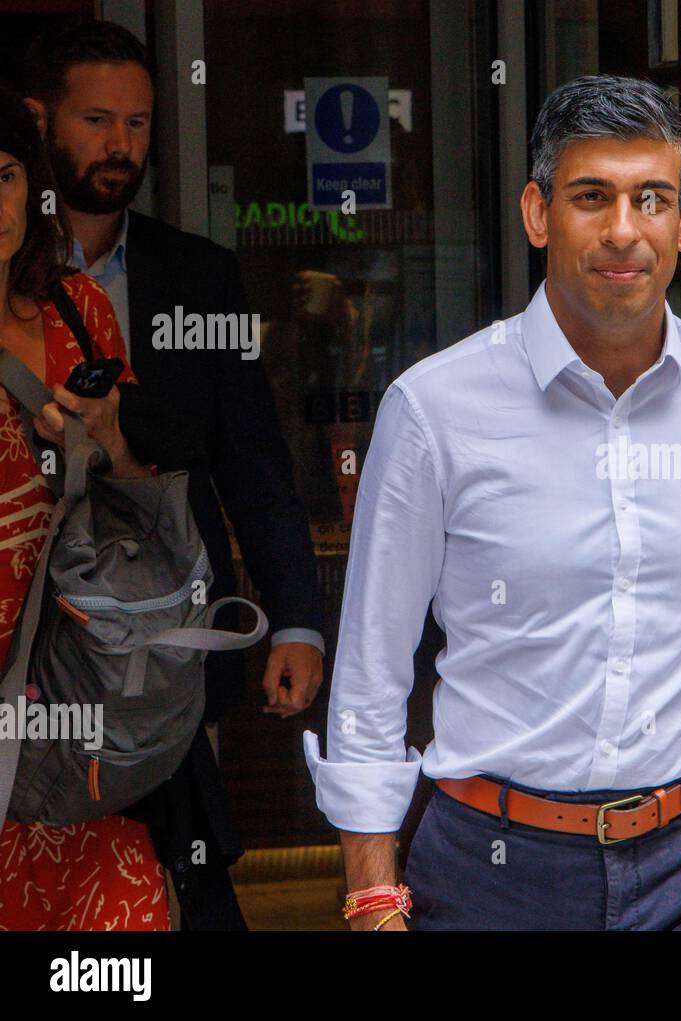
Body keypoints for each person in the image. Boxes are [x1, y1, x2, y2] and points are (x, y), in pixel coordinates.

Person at [306, 75, 681, 931]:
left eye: (651, 199)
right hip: (496, 874)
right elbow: (371, 673)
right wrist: (372, 896)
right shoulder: (434, 409)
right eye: (590, 197)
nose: (622, 231)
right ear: (538, 214)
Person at [22, 20, 328, 930]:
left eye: (140, 124)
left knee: (178, 881)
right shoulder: (8, 280)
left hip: (160, 643)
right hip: (27, 649)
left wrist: (298, 617)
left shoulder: (199, 276)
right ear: (38, 124)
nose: (122, 146)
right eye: (97, 120)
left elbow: (253, 458)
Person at [0, 87, 166, 930]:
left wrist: (108, 441)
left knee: (117, 928)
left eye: (2, 176)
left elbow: (134, 499)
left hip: (66, 683)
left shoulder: (77, 307)